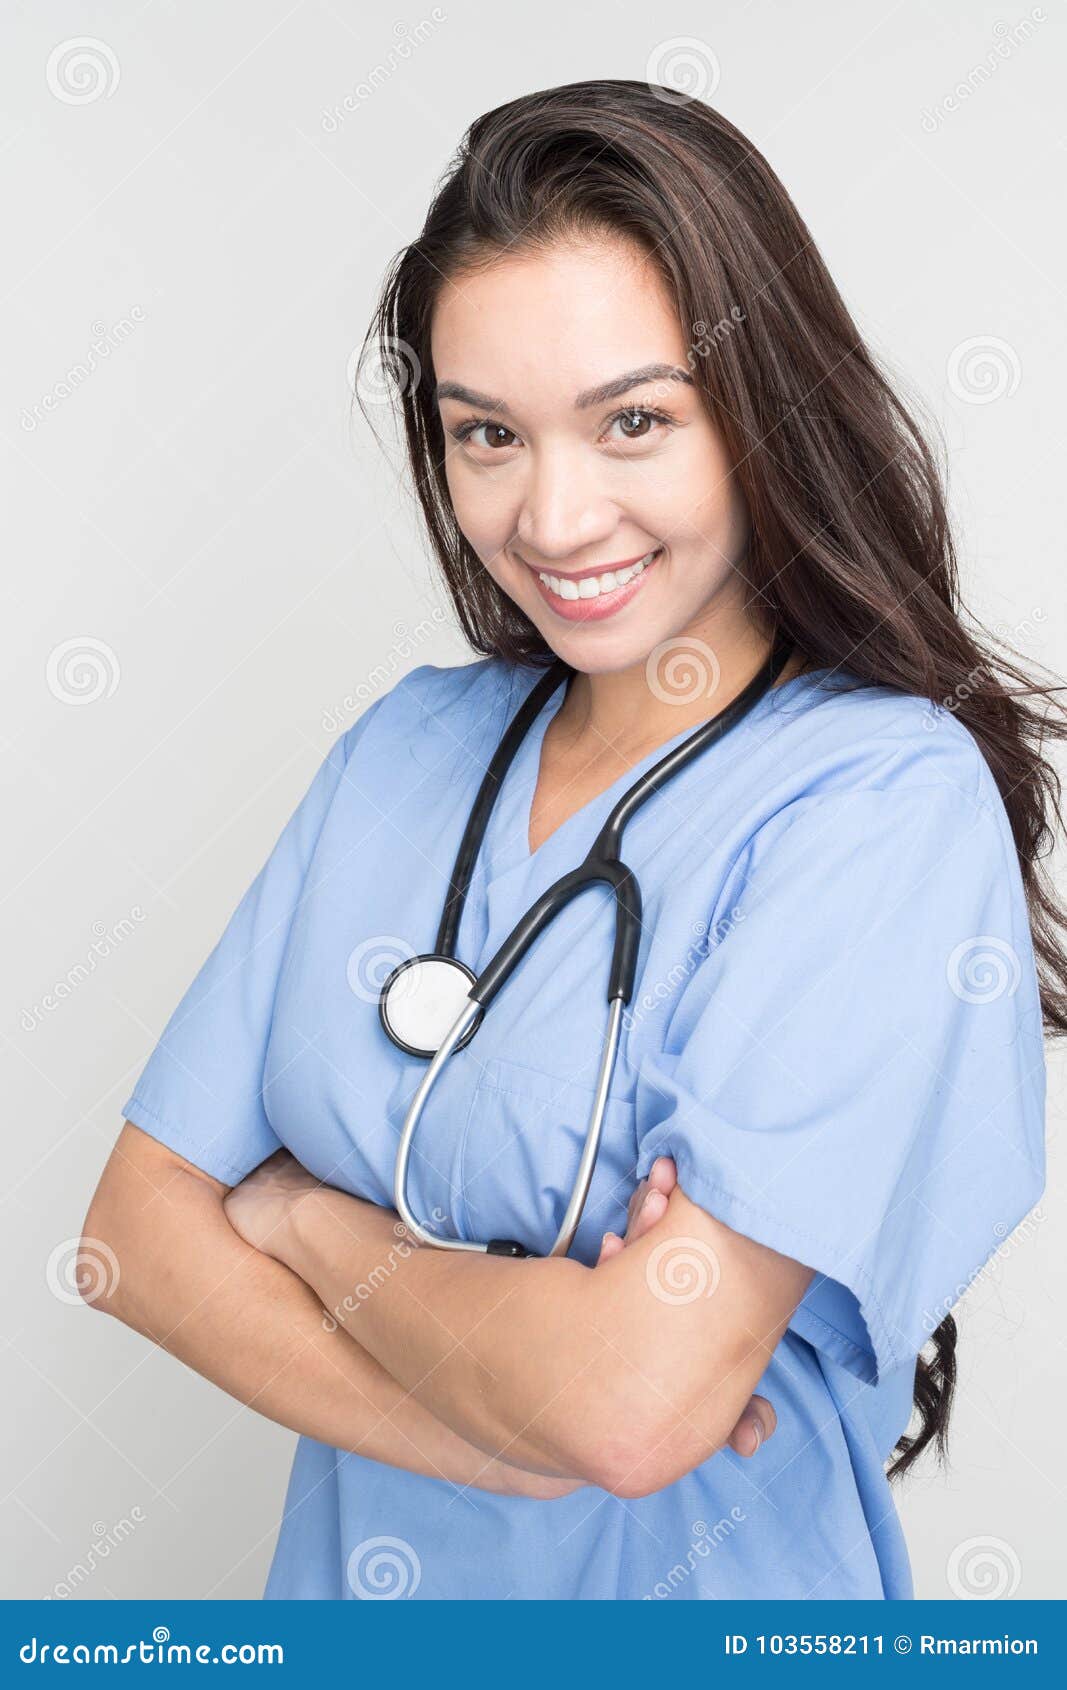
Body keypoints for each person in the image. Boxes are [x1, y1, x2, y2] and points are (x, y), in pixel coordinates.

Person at [82, 80, 1058, 1601]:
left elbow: (637, 1403)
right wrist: (506, 1433)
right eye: (488, 434)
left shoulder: (878, 805)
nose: (553, 514)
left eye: (634, 421)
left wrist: (300, 1216)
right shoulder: (408, 749)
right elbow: (134, 1238)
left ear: (763, 408)